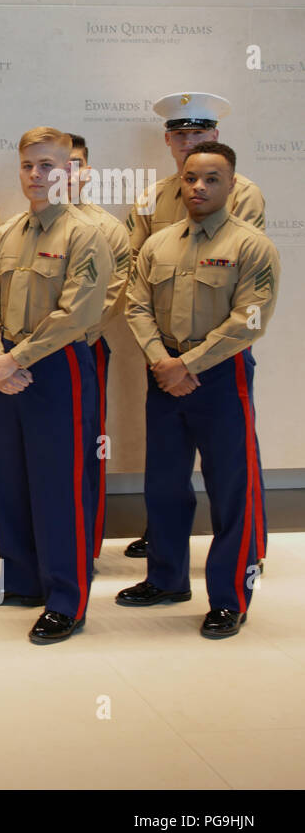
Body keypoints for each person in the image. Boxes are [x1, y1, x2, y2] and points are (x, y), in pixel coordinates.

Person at [118, 142, 278, 638]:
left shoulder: (252, 246)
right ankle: (166, 578)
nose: (199, 187)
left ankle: (229, 597)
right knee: (164, 484)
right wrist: (162, 361)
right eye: (190, 178)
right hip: (163, 374)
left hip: (220, 377)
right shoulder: (157, 244)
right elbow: (135, 305)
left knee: (232, 489)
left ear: (232, 184)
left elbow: (250, 319)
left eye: (211, 178)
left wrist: (186, 364)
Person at [0, 127, 108, 643]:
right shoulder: (6, 234)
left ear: (69, 172)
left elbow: (78, 313)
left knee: (59, 486)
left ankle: (67, 599)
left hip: (56, 369)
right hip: (6, 370)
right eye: (28, 165)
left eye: (47, 165)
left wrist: (15, 358)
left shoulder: (84, 234)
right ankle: (23, 580)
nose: (35, 175)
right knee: (13, 480)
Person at [123, 92, 266, 559]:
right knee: (164, 470)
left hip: (219, 357)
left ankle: (245, 554)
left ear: (216, 137)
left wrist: (190, 363)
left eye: (198, 134)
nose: (189, 143)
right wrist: (164, 360)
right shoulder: (152, 199)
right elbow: (135, 275)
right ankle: (166, 560)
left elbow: (240, 279)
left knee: (231, 471)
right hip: (163, 359)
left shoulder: (242, 192)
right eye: (180, 136)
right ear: (168, 141)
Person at [64, 134, 131, 559]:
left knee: (88, 443)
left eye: (74, 163)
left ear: (87, 172)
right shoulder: (24, 225)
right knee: (37, 447)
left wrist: (69, 338)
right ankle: (40, 533)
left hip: (84, 349)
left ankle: (85, 539)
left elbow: (113, 295)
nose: (63, 172)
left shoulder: (108, 229)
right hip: (32, 356)